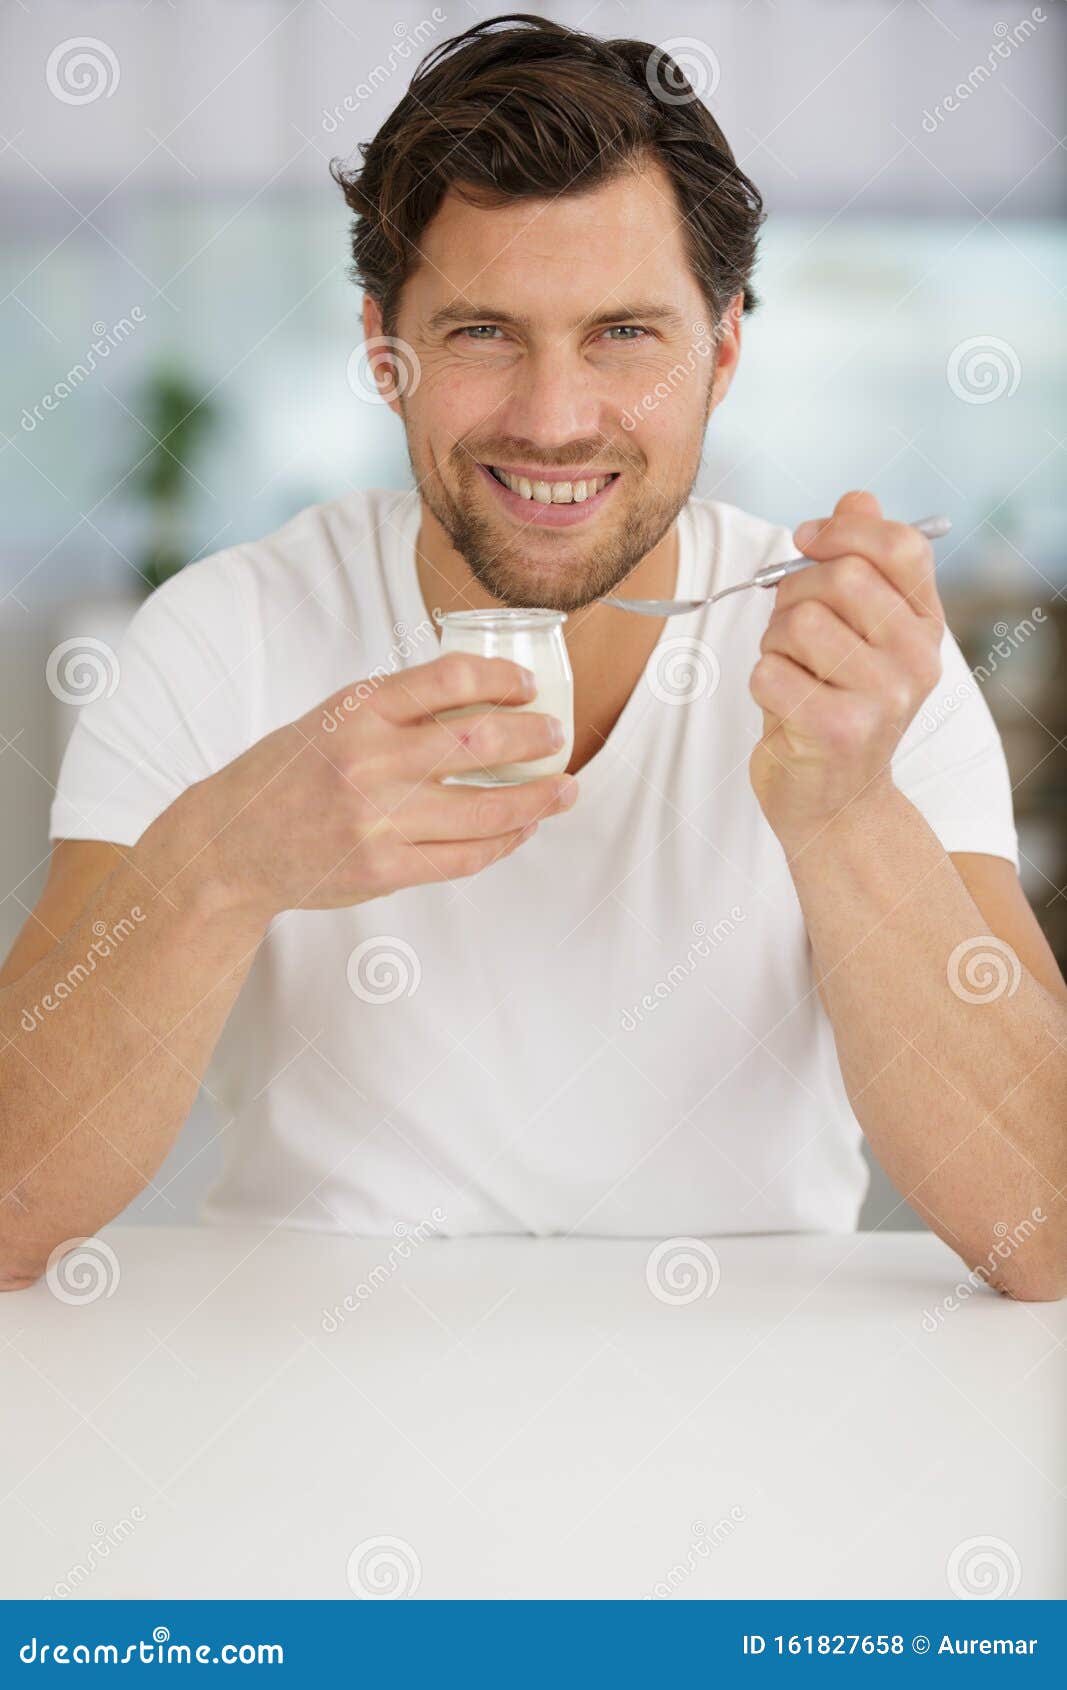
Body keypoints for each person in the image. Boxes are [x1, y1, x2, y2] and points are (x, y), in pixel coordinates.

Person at [2, 15, 1064, 1297]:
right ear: (381, 351)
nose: (553, 421)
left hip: (756, 1410)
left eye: (623, 333)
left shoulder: (851, 665)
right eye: (479, 333)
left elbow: (1045, 1229)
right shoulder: (223, 634)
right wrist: (220, 866)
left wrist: (844, 813)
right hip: (312, 1399)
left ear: (721, 352)